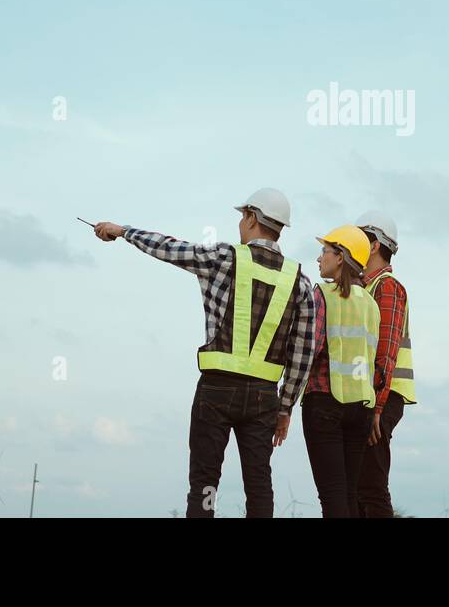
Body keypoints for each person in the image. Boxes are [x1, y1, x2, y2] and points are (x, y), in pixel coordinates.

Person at [91, 188, 315, 519]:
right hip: (263, 398)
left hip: (216, 391)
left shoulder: (225, 258)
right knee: (258, 485)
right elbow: (302, 352)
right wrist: (285, 408)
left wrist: (123, 231)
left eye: (243, 216)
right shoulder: (299, 282)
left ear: (252, 218)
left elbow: (170, 248)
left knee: (205, 483)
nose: (240, 222)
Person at [299, 225, 381, 518]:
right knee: (348, 493)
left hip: (324, 401)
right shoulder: (371, 305)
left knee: (332, 495)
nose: (319, 258)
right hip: (361, 408)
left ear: (341, 257)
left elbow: (310, 348)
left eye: (325, 251)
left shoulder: (322, 294)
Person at [354, 210, 414, 519]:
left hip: (384, 397)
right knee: (360, 486)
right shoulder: (365, 287)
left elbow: (386, 352)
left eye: (359, 236)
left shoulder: (387, 287)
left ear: (374, 244)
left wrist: (376, 409)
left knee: (372, 486)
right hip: (374, 395)